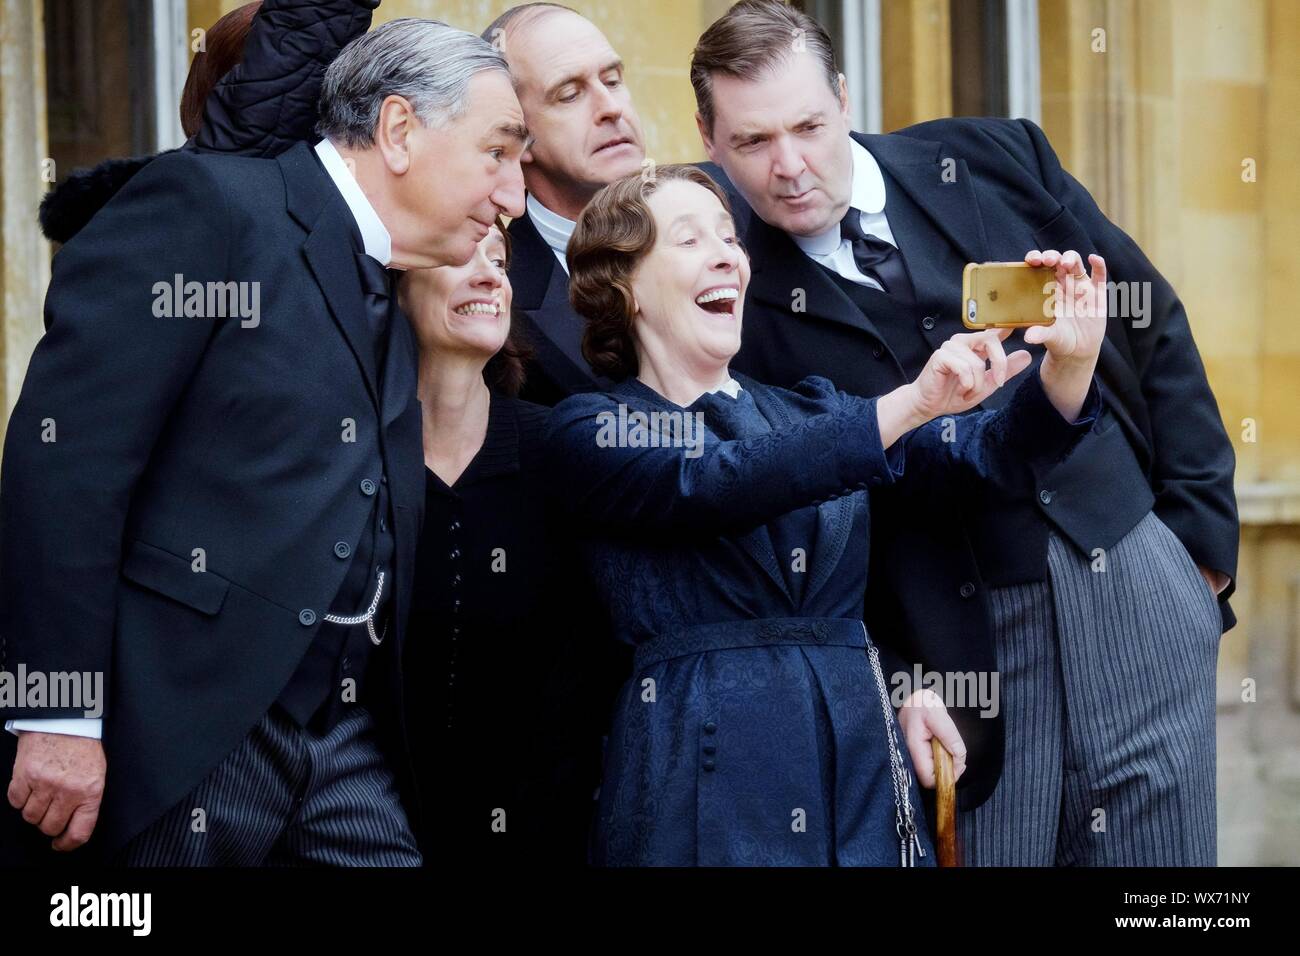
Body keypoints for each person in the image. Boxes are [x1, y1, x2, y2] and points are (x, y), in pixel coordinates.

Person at [689, 0, 1236, 864]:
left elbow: (1151, 322)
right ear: (708, 139)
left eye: (809, 126)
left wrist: (1201, 553)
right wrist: (891, 680)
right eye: (754, 142)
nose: (790, 165)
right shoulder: (725, 295)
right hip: (952, 644)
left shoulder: (994, 158)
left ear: (843, 95)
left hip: (1135, 575)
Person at [0, 17, 527, 866]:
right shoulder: (209, 207)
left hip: (349, 746)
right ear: (398, 131)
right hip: (178, 739)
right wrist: (59, 716)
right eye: (498, 154)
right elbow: (65, 464)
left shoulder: (397, 274)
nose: (513, 194)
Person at [546, 164, 1108, 866]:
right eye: (690, 240)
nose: (727, 255)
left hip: (860, 761)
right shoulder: (593, 426)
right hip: (700, 769)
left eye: (729, 237)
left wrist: (1070, 367)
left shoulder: (810, 408)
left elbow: (977, 458)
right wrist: (908, 404)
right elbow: (715, 482)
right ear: (624, 289)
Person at [396, 223, 615, 866]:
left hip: (547, 837)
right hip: (376, 835)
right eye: (462, 253)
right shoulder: (353, 465)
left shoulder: (560, 451)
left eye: (499, 258)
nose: (490, 273)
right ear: (394, 282)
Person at [479, 3, 649, 406]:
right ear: (514, 137)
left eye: (613, 79)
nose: (611, 108)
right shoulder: (495, 296)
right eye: (569, 94)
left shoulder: (735, 211)